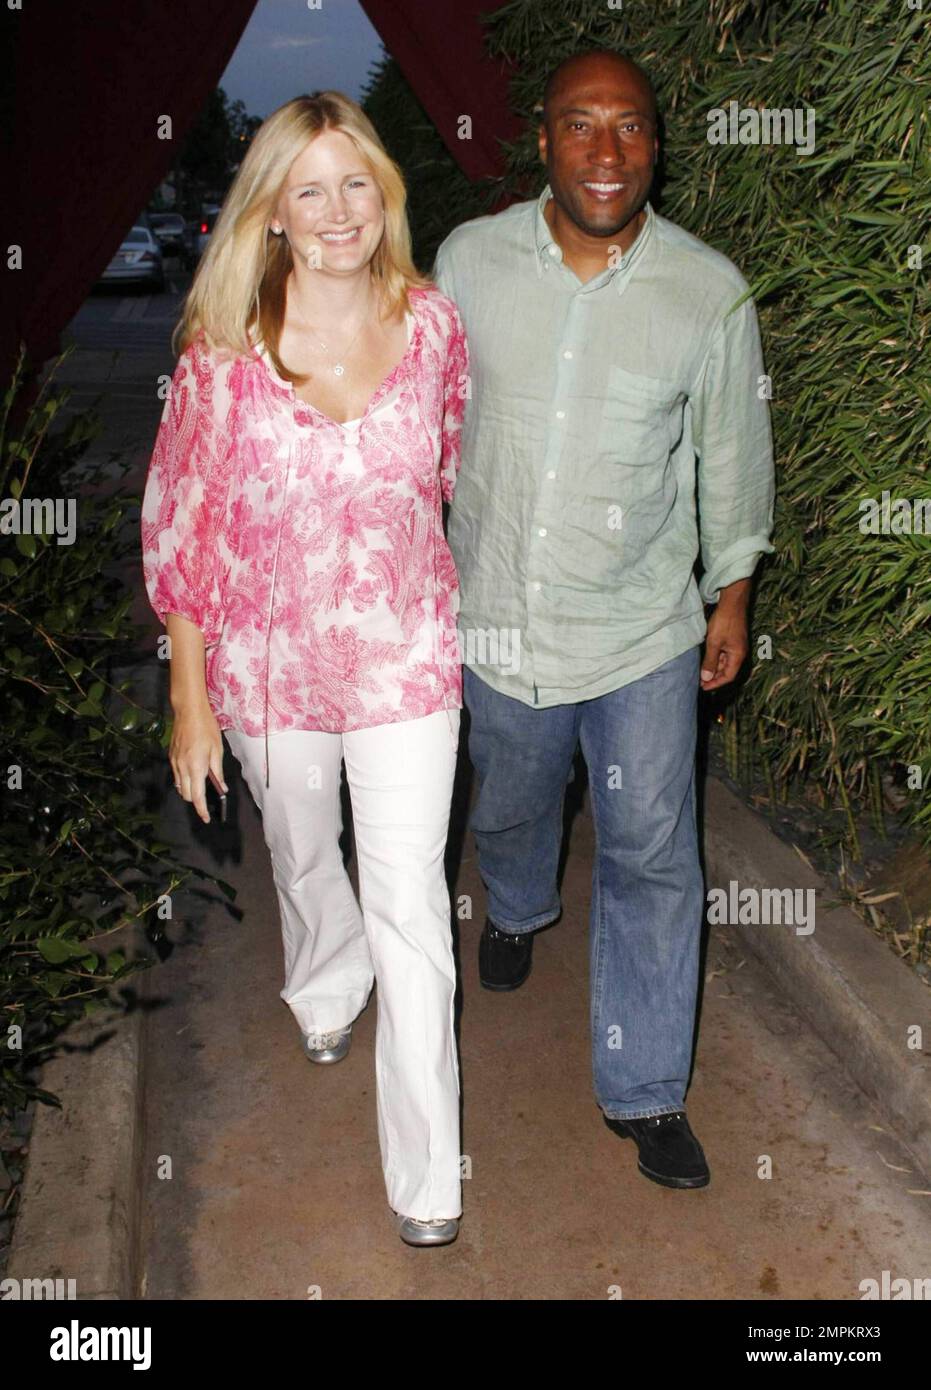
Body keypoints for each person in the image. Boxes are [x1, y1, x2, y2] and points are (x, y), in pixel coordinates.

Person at [434, 50, 775, 1190]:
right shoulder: (468, 264)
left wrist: (730, 589)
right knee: (514, 793)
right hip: (498, 618)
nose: (605, 152)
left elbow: (730, 453)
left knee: (651, 853)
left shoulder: (706, 290)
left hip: (640, 630)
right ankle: (518, 905)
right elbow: (422, 424)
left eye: (628, 128)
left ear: (655, 146)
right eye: (581, 125)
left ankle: (643, 1090)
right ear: (543, 139)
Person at [141, 91, 469, 1245]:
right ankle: (325, 980)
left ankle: (429, 1179)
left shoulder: (431, 325)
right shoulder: (220, 353)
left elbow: (444, 467)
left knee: (413, 906)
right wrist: (189, 700)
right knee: (298, 841)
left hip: (404, 661)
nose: (339, 210)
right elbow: (182, 529)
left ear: (385, 194)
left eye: (357, 183)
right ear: (271, 213)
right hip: (267, 664)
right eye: (310, 189)